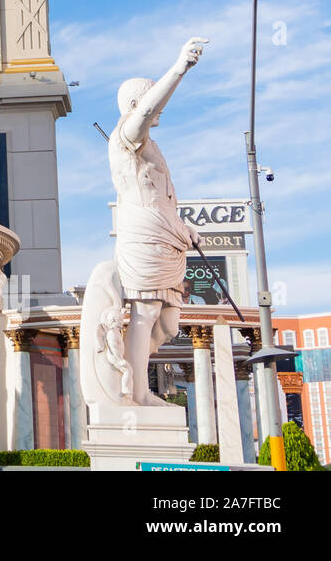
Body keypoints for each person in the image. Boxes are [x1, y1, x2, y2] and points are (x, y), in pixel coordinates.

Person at [109, 36, 208, 406]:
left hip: (168, 238)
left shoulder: (153, 148)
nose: (159, 108)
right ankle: (136, 393)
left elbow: (162, 201)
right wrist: (180, 67)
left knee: (167, 324)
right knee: (145, 312)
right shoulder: (126, 136)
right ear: (137, 106)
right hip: (143, 237)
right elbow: (146, 113)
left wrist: (185, 229)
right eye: (151, 101)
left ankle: (119, 365)